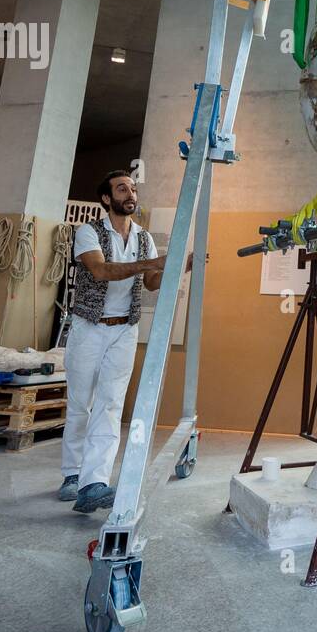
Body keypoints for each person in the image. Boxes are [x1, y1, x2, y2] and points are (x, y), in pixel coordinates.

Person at [60, 170, 191, 513]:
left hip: (124, 329)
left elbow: (149, 282)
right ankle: (71, 474)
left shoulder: (143, 238)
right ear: (107, 198)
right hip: (89, 327)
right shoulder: (89, 232)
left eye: (133, 188)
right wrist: (152, 262)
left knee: (111, 404)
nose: (130, 193)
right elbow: (101, 271)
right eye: (122, 188)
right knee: (80, 404)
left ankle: (93, 483)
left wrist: (179, 268)